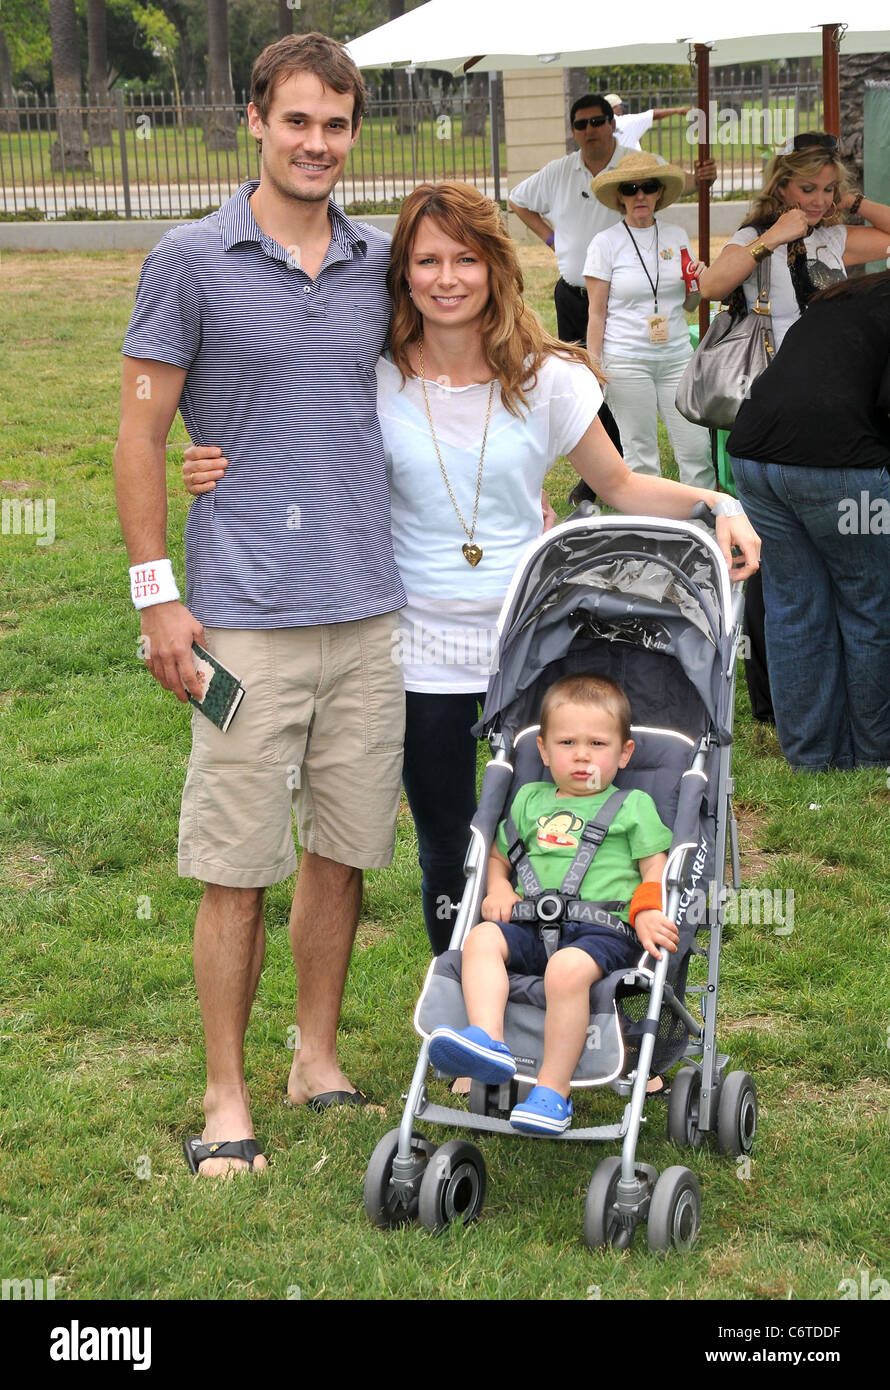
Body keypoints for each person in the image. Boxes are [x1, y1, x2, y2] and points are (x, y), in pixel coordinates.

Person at [183, 181, 760, 965]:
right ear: (404, 274)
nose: (446, 278)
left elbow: (621, 485)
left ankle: (575, 991)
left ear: (495, 267)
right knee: (454, 850)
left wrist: (714, 501)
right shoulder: (374, 376)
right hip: (414, 659)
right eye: (426, 260)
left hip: (532, 653)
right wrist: (214, 461)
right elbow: (286, 428)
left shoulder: (549, 377)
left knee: (555, 836)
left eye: (465, 258)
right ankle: (467, 1009)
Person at [114, 33, 409, 1177]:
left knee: (342, 854)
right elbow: (141, 434)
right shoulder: (188, 258)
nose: (317, 144)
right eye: (297, 121)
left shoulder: (380, 258)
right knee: (235, 865)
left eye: (336, 125)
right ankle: (225, 1092)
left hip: (370, 614)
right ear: (253, 121)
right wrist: (158, 601)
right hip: (238, 615)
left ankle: (315, 1058)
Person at [427, 674, 679, 1135]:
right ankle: (488, 1041)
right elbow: (500, 857)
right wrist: (498, 889)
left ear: (624, 754)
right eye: (567, 742)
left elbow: (655, 870)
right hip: (529, 923)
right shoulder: (529, 799)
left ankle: (552, 1091)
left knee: (565, 970)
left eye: (597, 744)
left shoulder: (633, 805)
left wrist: (646, 911)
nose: (582, 755)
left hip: (602, 932)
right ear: (543, 751)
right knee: (480, 940)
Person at [699, 131, 890, 724]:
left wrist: (852, 205)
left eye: (828, 189)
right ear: (781, 184)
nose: (817, 198)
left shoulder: (834, 236)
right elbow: (707, 288)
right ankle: (772, 699)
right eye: (807, 187)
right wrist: (771, 242)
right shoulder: (758, 236)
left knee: (818, 574)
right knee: (780, 575)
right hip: (770, 406)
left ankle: (826, 699)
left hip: (837, 409)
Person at [727, 268, 890, 772]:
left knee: (793, 605)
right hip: (837, 470)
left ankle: (812, 759)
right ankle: (874, 757)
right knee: (869, 603)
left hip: (753, 459)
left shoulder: (850, 293)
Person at [508, 93, 713, 349]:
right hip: (575, 297)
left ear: (612, 124)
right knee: (579, 376)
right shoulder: (558, 171)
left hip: (625, 300)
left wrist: (704, 177)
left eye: (597, 121)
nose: (589, 129)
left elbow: (683, 182)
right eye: (581, 125)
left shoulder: (634, 166)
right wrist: (552, 239)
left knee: (625, 373)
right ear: (573, 131)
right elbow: (516, 200)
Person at [584, 152, 714, 490]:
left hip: (675, 357)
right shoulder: (605, 243)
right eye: (630, 188)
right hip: (626, 360)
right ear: (619, 197)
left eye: (648, 187)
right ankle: (649, 532)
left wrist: (699, 282)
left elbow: (688, 303)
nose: (639, 195)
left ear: (659, 194)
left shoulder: (676, 236)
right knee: (640, 456)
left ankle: (705, 528)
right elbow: (596, 313)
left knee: (696, 449)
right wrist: (594, 367)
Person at [605, 92, 690, 153]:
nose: (621, 108)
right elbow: (654, 114)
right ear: (613, 108)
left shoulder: (600, 126)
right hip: (632, 167)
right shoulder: (627, 121)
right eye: (620, 106)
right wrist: (677, 110)